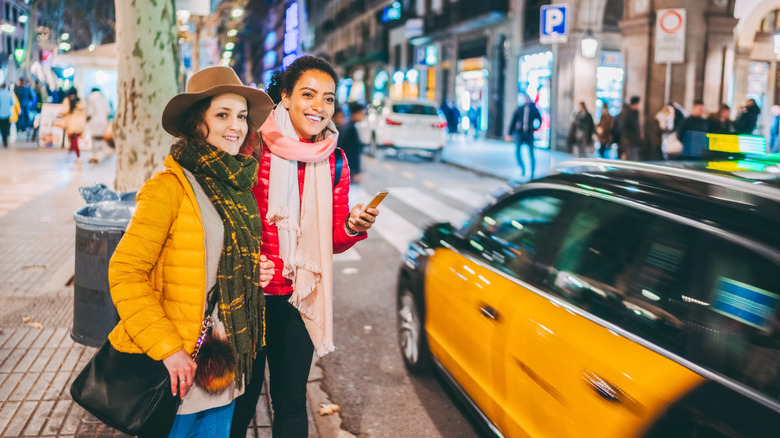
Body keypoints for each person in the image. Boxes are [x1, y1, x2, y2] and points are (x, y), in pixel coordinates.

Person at [106, 66, 275, 437]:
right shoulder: (168, 188)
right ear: (198, 123)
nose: (236, 126)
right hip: (178, 369)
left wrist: (253, 269)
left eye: (242, 116)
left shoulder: (237, 185)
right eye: (222, 114)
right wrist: (168, 349)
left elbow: (218, 259)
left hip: (224, 365)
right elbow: (125, 271)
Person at [230, 55, 378, 438]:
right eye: (308, 94)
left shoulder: (334, 160)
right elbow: (224, 220)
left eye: (328, 98)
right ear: (285, 95)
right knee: (239, 403)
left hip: (298, 298)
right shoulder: (250, 146)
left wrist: (352, 226)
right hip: (247, 294)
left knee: (292, 402)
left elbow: (332, 241)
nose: (319, 106)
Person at [505, 93, 542, 178]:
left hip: (529, 134)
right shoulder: (519, 108)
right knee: (517, 151)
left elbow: (539, 119)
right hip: (520, 133)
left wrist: (534, 129)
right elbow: (513, 121)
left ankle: (532, 172)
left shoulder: (533, 109)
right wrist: (509, 133)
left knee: (531, 153)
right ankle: (523, 168)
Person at [339, 101, 366, 184]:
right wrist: (355, 171)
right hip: (348, 170)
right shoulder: (351, 130)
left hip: (344, 168)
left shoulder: (346, 126)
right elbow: (352, 152)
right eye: (361, 113)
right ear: (355, 114)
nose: (363, 116)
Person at [56, 94, 86, 164]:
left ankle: (78, 157)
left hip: (72, 125)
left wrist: (59, 113)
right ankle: (72, 153)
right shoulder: (81, 104)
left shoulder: (69, 101)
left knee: (74, 141)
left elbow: (65, 111)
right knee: (73, 140)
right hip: (80, 125)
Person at [85, 87, 111, 163]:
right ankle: (104, 150)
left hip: (94, 121)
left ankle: (95, 155)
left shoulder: (90, 99)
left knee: (94, 138)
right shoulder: (104, 99)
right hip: (103, 121)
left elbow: (90, 112)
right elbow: (108, 111)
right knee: (100, 137)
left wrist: (86, 119)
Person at [617, 96, 642, 160]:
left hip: (634, 141)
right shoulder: (627, 113)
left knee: (634, 159)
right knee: (631, 160)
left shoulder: (635, 112)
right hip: (629, 142)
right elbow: (623, 128)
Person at [0, 83, 14, 148]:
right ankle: (5, 140)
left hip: (1, 114)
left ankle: (4, 139)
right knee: (7, 127)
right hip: (8, 114)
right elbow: (12, 103)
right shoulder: (9, 93)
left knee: (2, 127)